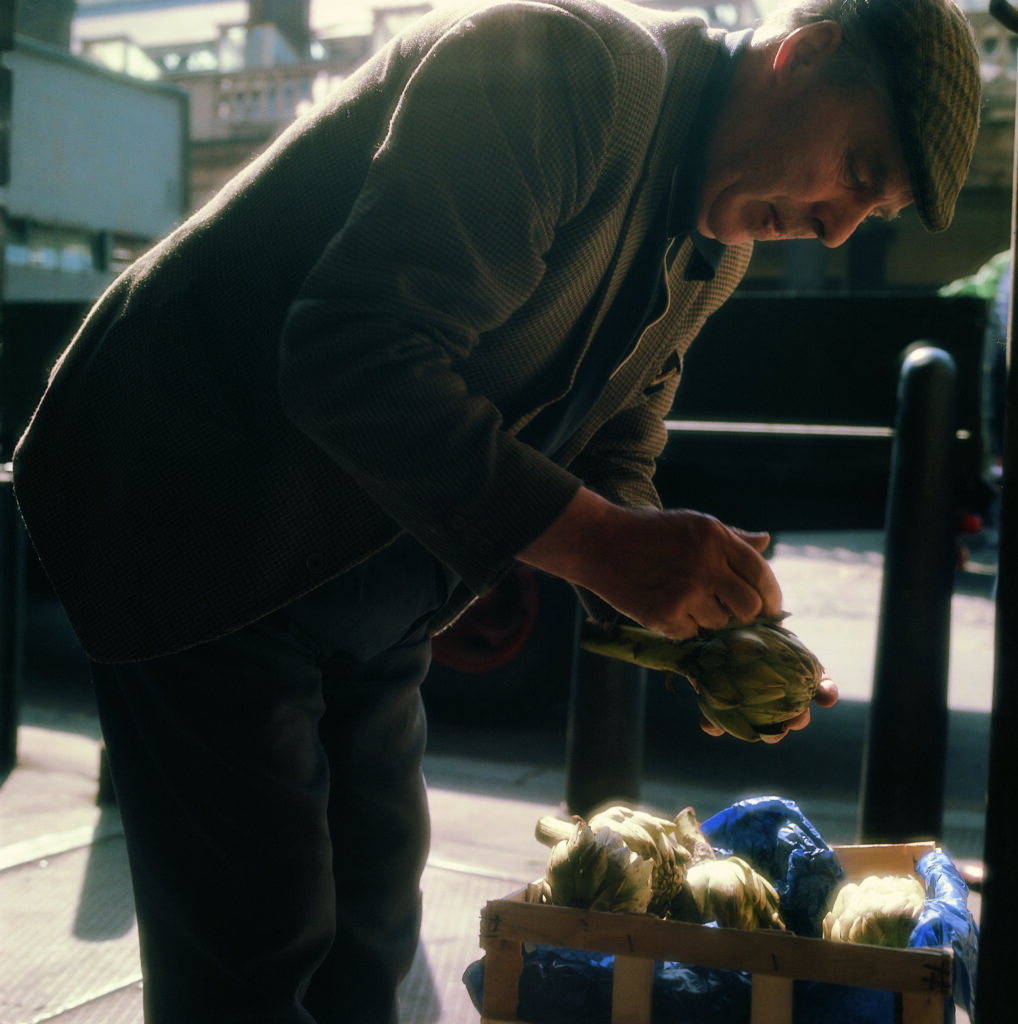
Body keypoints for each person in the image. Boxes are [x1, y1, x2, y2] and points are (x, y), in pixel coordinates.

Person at [11, 0, 979, 1020]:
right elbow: (354, 357)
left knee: (371, 921)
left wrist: (694, 617)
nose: (834, 226)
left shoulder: (716, 249)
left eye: (866, 216)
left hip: (374, 557)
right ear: (806, 52)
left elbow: (616, 450)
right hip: (200, 505)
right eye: (858, 171)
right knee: (256, 942)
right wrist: (608, 546)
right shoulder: (565, 71)